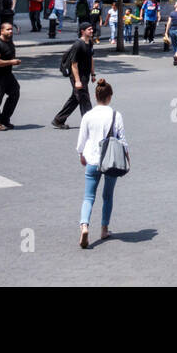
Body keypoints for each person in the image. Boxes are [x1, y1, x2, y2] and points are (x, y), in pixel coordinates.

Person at [76, 78, 127, 248]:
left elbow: (81, 141)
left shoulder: (88, 115)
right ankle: (104, 229)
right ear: (110, 97)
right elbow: (122, 140)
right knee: (107, 196)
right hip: (110, 161)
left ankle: (84, 225)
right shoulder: (115, 115)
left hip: (92, 159)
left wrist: (81, 154)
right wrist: (127, 157)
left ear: (95, 96)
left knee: (88, 196)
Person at [51, 25, 96, 130]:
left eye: (91, 29)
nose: (92, 30)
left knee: (75, 98)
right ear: (82, 31)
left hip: (85, 75)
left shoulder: (90, 43)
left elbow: (91, 58)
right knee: (84, 98)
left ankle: (58, 120)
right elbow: (74, 64)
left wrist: (93, 74)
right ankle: (90, 123)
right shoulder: (78, 45)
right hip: (77, 76)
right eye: (89, 29)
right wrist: (77, 81)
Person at [0, 21, 22, 131]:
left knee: (15, 92)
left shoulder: (9, 42)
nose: (10, 31)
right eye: (8, 29)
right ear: (1, 31)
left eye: (11, 29)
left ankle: (4, 119)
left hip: (7, 74)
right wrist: (12, 62)